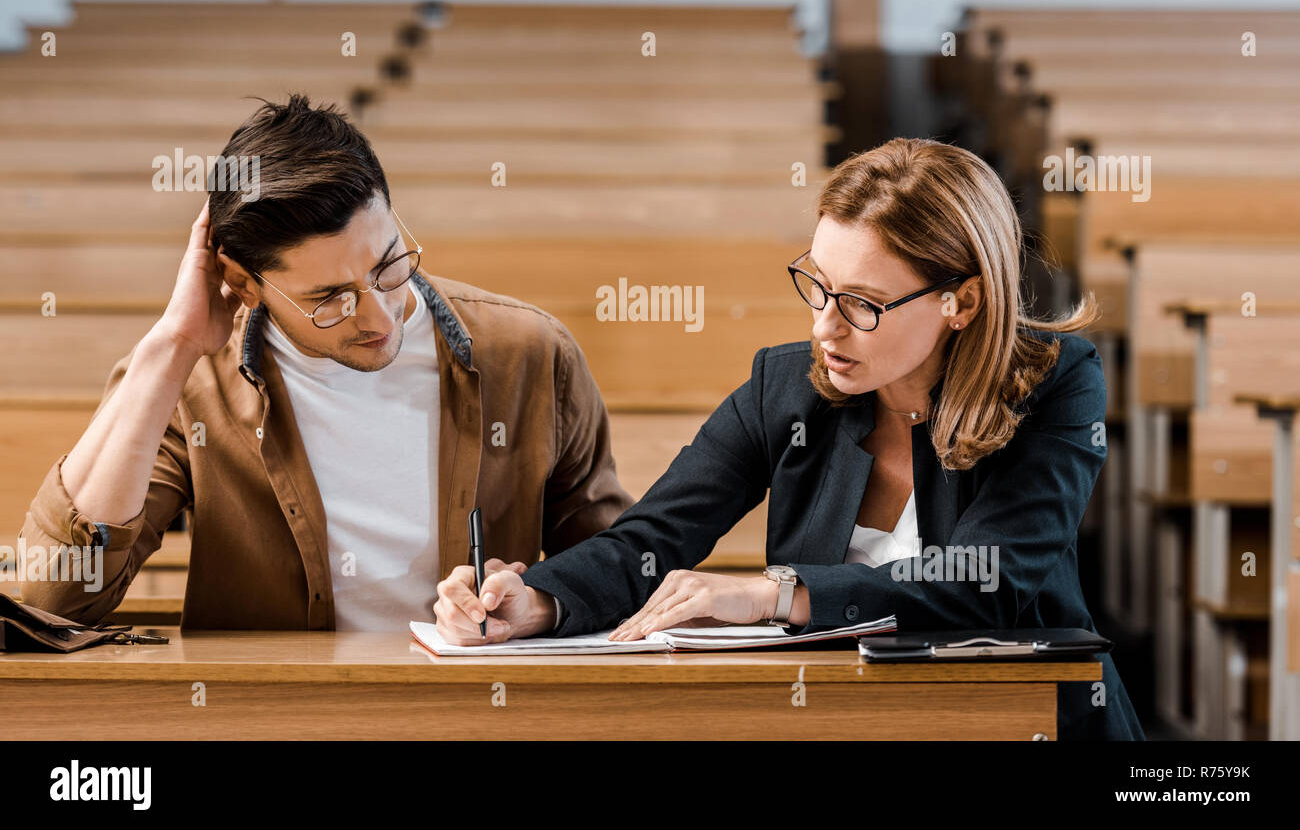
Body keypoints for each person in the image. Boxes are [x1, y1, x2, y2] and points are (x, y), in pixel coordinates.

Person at [433, 137, 1145, 741]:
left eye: (862, 303)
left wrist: (774, 593)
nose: (823, 327)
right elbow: (651, 539)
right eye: (818, 285)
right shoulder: (785, 387)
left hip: (1032, 723)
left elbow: (985, 581)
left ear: (962, 301)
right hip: (843, 725)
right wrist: (537, 600)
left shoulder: (1056, 384)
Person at [19, 94, 632, 630]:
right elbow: (56, 599)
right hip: (276, 712)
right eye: (329, 298)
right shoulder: (190, 383)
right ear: (244, 282)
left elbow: (623, 573)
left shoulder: (532, 354)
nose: (379, 316)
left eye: (388, 265)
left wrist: (539, 598)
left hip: (475, 709)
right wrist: (172, 348)